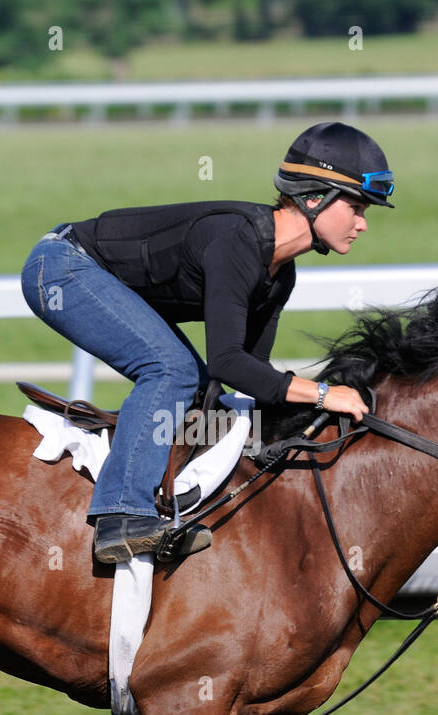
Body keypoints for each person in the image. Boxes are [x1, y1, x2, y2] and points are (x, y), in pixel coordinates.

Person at [20, 122, 392, 564]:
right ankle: (120, 517)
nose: (363, 224)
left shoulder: (279, 275)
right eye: (356, 207)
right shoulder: (237, 242)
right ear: (315, 198)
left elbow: (252, 375)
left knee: (193, 386)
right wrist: (326, 393)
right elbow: (229, 362)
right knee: (171, 370)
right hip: (62, 269)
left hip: (91, 273)